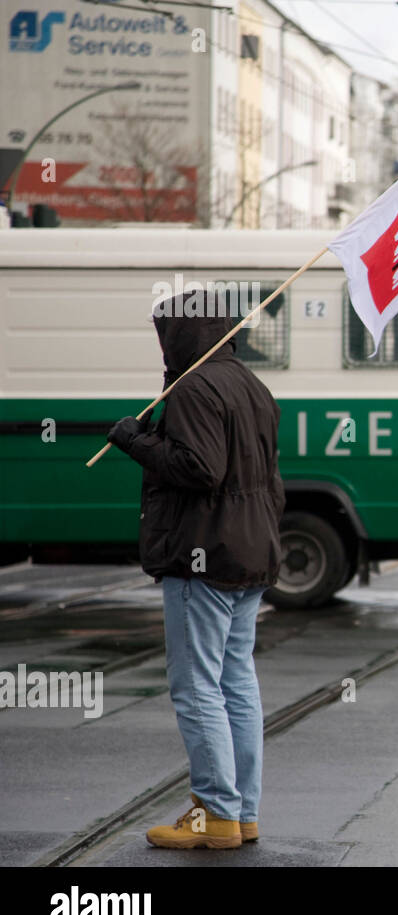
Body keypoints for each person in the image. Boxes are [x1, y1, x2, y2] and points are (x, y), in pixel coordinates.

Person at [107, 291, 284, 849]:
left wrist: (136, 442)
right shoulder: (252, 386)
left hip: (202, 554)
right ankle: (242, 812)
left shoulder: (192, 387)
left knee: (196, 686)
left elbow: (199, 468)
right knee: (236, 682)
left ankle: (216, 814)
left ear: (182, 335)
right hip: (251, 553)